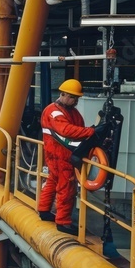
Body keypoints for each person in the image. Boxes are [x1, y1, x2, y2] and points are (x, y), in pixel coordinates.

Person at [37, 79, 95, 234]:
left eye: (76, 98)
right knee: (66, 187)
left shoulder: (71, 112)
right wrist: (91, 131)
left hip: (61, 154)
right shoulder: (54, 111)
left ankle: (43, 210)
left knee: (53, 181)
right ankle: (63, 222)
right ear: (62, 94)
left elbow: (76, 130)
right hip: (59, 155)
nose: (74, 100)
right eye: (71, 97)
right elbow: (66, 130)